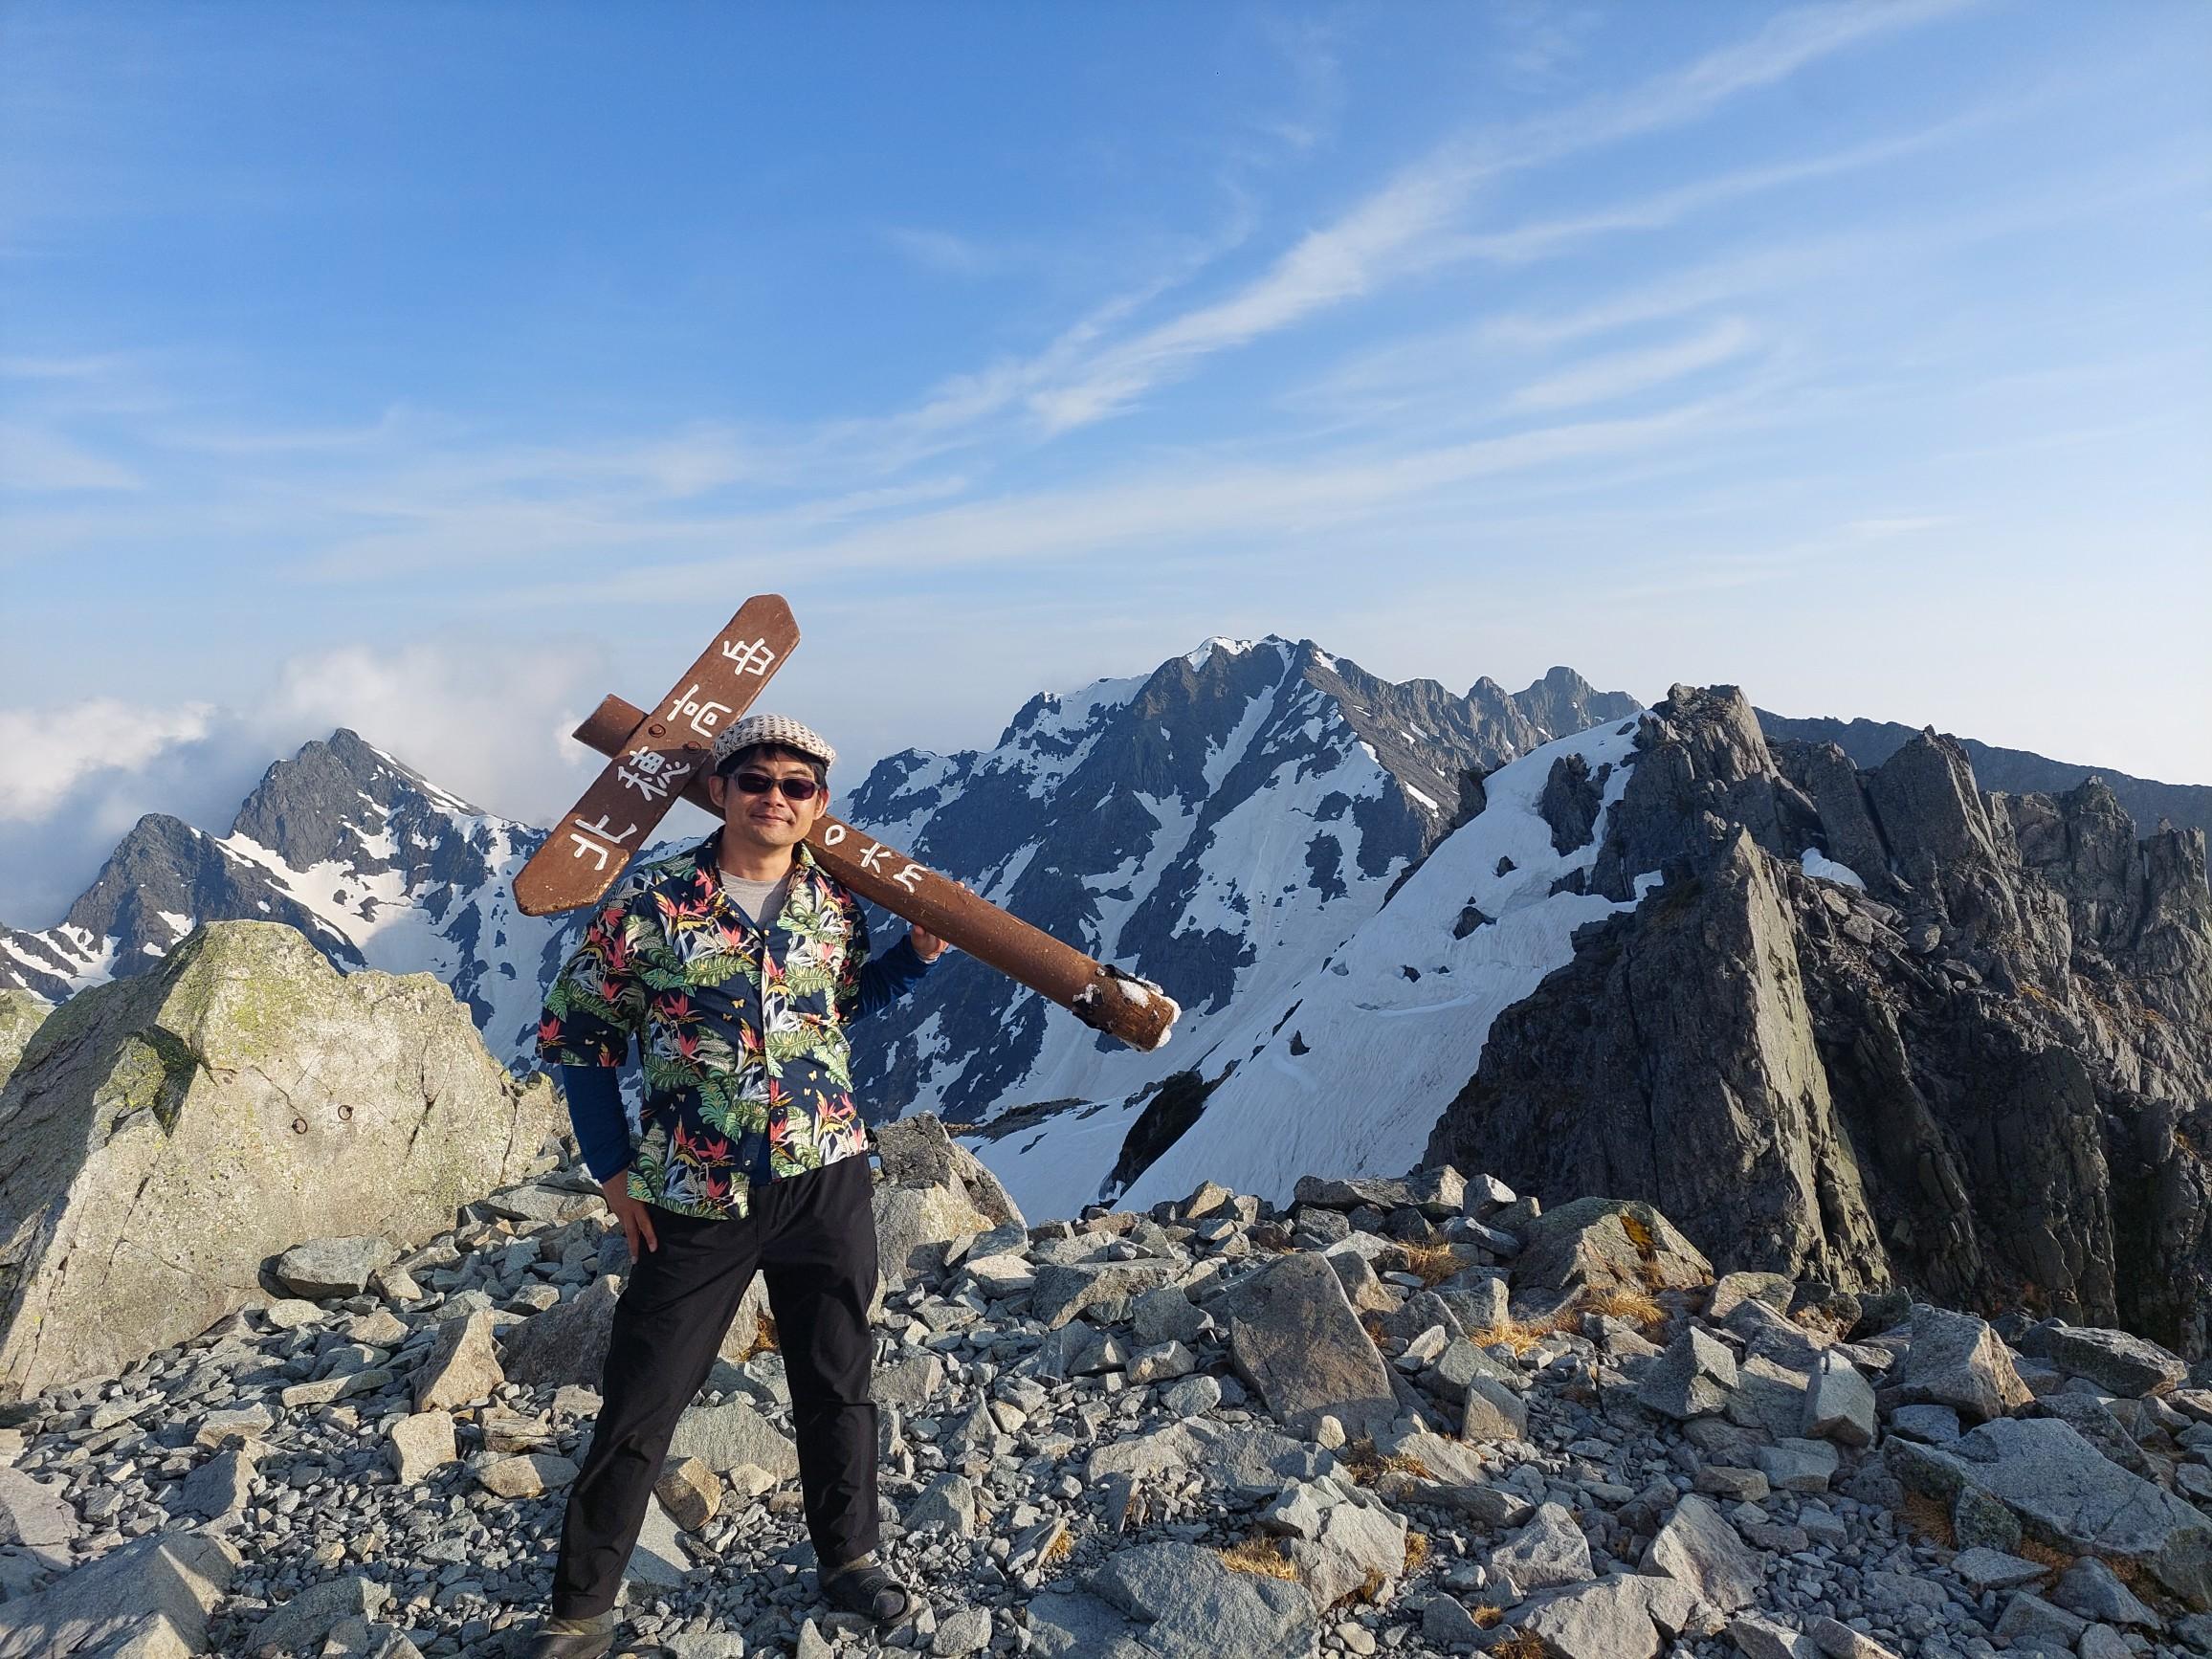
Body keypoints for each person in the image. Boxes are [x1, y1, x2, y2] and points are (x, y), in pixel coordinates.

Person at [525, 712, 943, 1659]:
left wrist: (910, 968)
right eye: (756, 779)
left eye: (797, 786)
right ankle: (578, 1611)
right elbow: (581, 1039)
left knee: (836, 1382)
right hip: (690, 1192)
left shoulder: (833, 905)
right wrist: (613, 1172)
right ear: (719, 790)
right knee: (642, 1397)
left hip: (823, 1176)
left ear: (819, 805)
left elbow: (841, 1010)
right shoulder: (652, 904)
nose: (774, 797)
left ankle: (851, 1563)